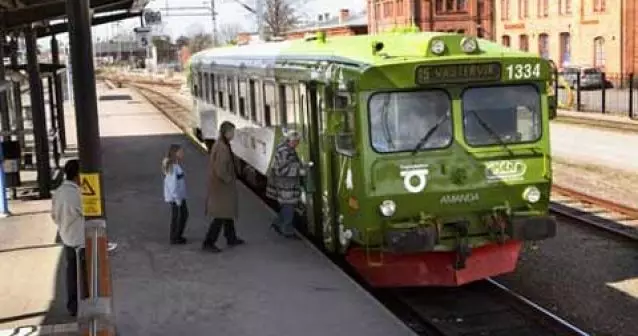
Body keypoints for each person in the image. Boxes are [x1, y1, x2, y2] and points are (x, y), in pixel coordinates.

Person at [51, 159, 87, 317]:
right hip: (80, 238)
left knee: (71, 272)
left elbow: (53, 215)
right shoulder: (76, 193)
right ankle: (84, 302)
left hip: (66, 237)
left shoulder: (58, 192)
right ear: (77, 175)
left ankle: (73, 305)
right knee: (83, 273)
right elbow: (88, 211)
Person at [203, 121, 245, 252]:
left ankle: (230, 237)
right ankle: (209, 242)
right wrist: (228, 179)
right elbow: (220, 169)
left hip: (221, 188)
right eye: (232, 132)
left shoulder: (221, 144)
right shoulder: (222, 147)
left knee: (227, 213)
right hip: (222, 188)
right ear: (227, 133)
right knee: (220, 216)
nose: (234, 134)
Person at [266, 130, 306, 238]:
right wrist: (299, 171)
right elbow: (280, 170)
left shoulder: (288, 150)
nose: (298, 144)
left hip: (287, 186)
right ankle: (287, 230)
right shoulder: (285, 152)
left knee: (287, 207)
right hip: (286, 186)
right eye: (296, 141)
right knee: (289, 208)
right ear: (291, 140)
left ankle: (277, 223)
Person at [162, 144, 189, 245]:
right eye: (181, 152)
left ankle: (176, 236)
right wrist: (177, 197)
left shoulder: (175, 165)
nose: (183, 153)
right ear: (175, 153)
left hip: (179, 196)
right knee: (179, 216)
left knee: (180, 216)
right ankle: (175, 237)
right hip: (176, 198)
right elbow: (172, 184)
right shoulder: (173, 167)